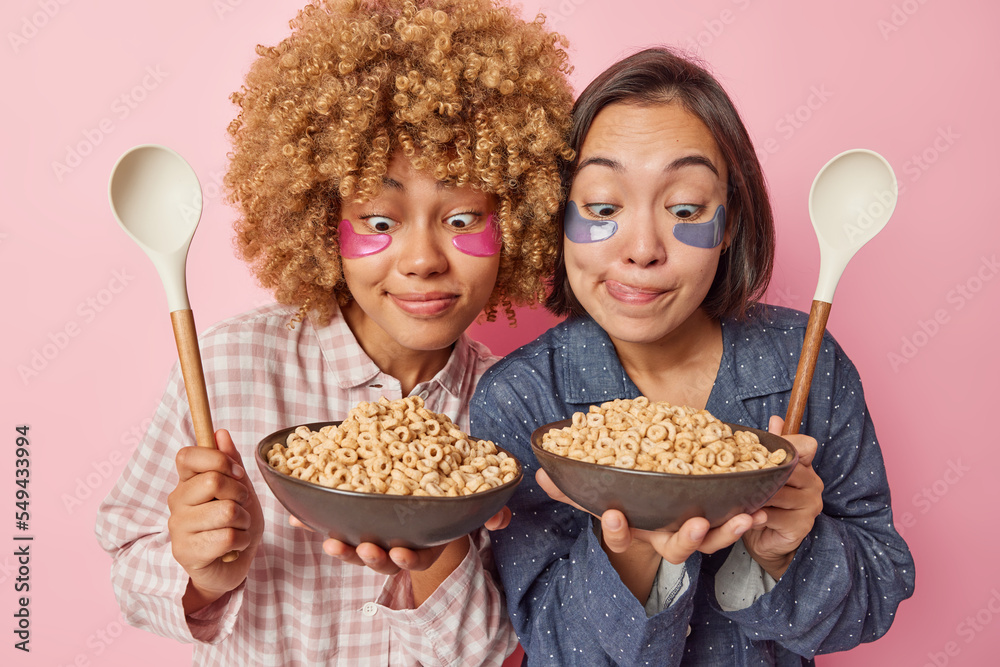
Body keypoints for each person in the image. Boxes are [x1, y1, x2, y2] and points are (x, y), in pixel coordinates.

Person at [95, 1, 573, 664]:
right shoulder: (232, 366)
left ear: (520, 222)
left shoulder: (510, 408)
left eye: (463, 218)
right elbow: (127, 561)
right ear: (323, 225)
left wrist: (439, 549)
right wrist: (207, 569)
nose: (422, 259)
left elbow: (486, 651)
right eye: (379, 221)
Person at [469, 47, 914, 666]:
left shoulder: (800, 363)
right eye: (602, 209)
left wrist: (787, 551)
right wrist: (632, 554)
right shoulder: (520, 400)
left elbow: (880, 591)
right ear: (560, 215)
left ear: (729, 223)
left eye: (684, 210)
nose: (643, 248)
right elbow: (550, 644)